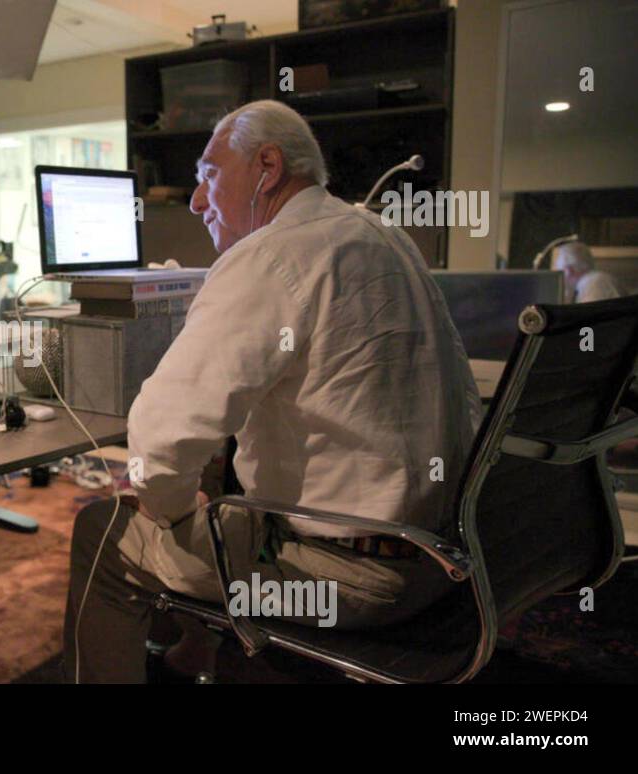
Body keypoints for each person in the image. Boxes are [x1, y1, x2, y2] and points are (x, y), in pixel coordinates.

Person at [62, 100, 482, 683]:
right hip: (449, 560)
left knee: (103, 531)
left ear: (267, 165)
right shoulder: (386, 236)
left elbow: (159, 441)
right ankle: (195, 653)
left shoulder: (271, 254)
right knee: (213, 472)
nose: (195, 200)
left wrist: (173, 509)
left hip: (342, 579)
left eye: (209, 173)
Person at [553, 240, 624, 303]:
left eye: (560, 272)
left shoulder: (593, 283)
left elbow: (586, 316)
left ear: (568, 270)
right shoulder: (591, 281)